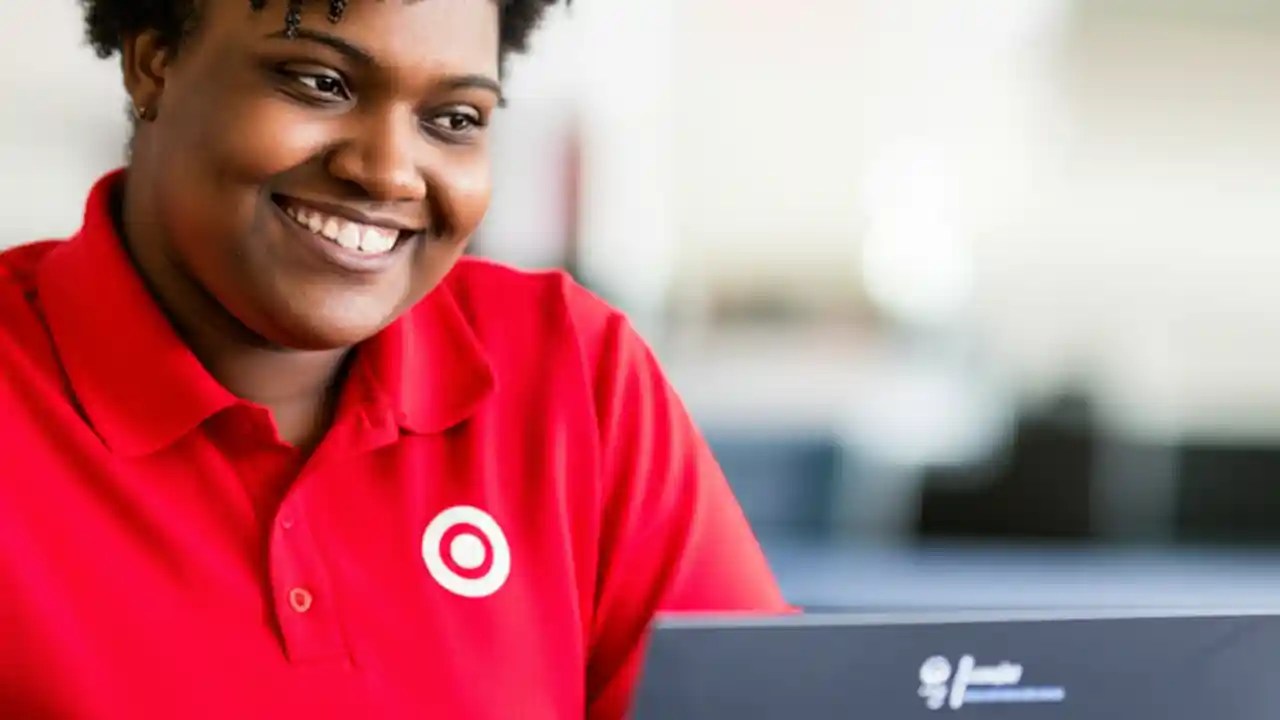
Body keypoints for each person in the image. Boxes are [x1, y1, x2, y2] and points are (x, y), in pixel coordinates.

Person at [0, 1, 789, 717]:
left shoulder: (575, 373)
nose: (386, 170)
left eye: (452, 119)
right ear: (153, 61)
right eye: (319, 82)